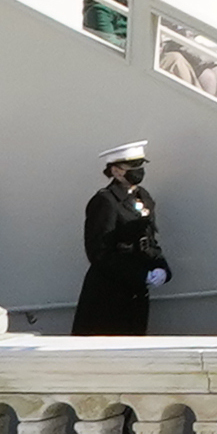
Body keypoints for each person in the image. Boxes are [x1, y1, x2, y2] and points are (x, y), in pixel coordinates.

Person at [71, 143, 166, 336]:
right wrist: (139, 275)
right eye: (133, 168)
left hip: (136, 291)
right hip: (109, 293)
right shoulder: (106, 201)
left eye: (140, 166)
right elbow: (99, 252)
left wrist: (160, 266)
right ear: (116, 171)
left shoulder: (143, 197)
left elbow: (148, 239)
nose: (138, 172)